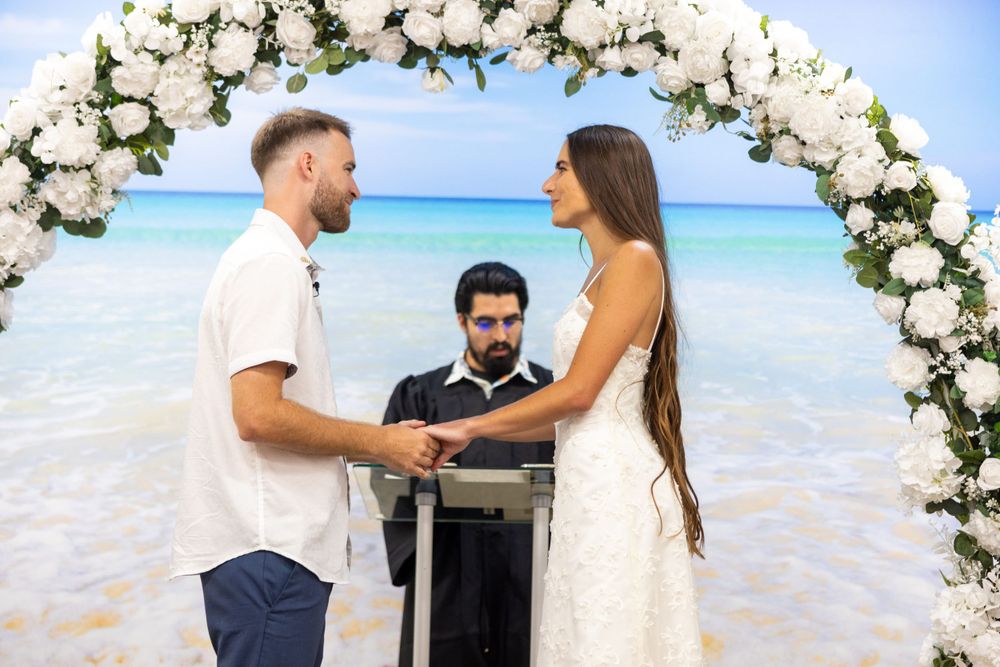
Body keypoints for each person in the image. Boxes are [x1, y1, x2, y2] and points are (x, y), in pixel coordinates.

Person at [423, 125, 705, 666]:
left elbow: (576, 394)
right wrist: (459, 436)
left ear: (602, 178)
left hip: (614, 486)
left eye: (561, 169)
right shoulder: (603, 269)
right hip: (586, 480)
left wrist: (471, 425)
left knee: (603, 641)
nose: (546, 184)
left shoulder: (635, 258)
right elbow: (571, 414)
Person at [169, 108, 440, 667]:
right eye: (349, 169)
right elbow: (258, 416)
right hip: (268, 545)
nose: (357, 189)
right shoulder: (270, 264)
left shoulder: (272, 260)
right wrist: (380, 442)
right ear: (309, 164)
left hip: (269, 548)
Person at [382, 262, 555, 667]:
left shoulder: (551, 396)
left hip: (531, 581)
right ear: (462, 321)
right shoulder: (420, 396)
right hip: (446, 577)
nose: (501, 335)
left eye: (512, 321)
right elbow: (393, 491)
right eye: (485, 324)